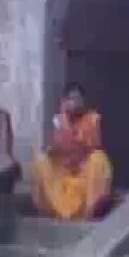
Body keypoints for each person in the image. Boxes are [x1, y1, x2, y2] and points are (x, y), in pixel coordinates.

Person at [30, 82, 114, 221]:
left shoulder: (93, 119)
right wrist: (53, 150)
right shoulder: (58, 120)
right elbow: (55, 148)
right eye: (71, 99)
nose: (75, 102)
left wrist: (75, 144)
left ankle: (90, 211)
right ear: (64, 101)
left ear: (84, 101)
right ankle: (54, 212)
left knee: (99, 159)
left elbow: (94, 148)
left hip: (84, 173)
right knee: (40, 160)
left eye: (78, 99)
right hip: (64, 173)